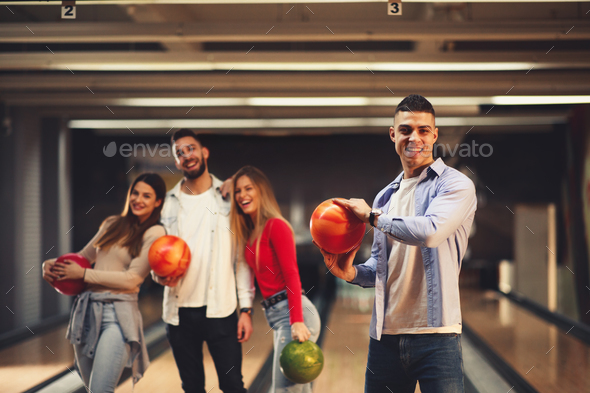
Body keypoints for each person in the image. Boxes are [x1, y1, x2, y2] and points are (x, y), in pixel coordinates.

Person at [315, 94, 477, 393]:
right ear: (393, 135)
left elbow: (431, 231)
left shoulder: (455, 185)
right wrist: (350, 273)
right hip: (385, 338)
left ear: (434, 134)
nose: (414, 137)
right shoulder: (385, 197)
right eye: (405, 130)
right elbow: (381, 265)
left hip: (437, 337)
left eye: (423, 130)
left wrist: (373, 217)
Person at [42, 173, 168, 393]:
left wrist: (82, 274)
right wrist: (52, 264)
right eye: (135, 193)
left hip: (117, 316)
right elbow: (83, 257)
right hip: (86, 312)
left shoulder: (154, 232)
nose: (138, 199)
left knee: (101, 390)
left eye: (147, 196)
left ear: (157, 202)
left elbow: (133, 278)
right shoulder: (112, 224)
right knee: (93, 389)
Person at [151, 129, 255, 393]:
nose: (187, 155)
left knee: (233, 385)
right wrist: (157, 276)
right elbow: (155, 255)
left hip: (221, 311)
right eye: (180, 153)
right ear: (176, 162)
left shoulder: (230, 198)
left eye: (191, 148)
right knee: (192, 387)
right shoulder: (167, 205)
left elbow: (241, 260)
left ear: (204, 152)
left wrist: (246, 309)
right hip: (179, 313)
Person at [230, 166, 321, 393]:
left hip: (295, 316)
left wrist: (297, 321)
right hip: (278, 314)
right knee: (298, 390)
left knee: (281, 390)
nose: (242, 195)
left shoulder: (276, 226)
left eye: (249, 188)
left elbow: (291, 273)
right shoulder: (251, 233)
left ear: (262, 191)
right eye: (238, 191)